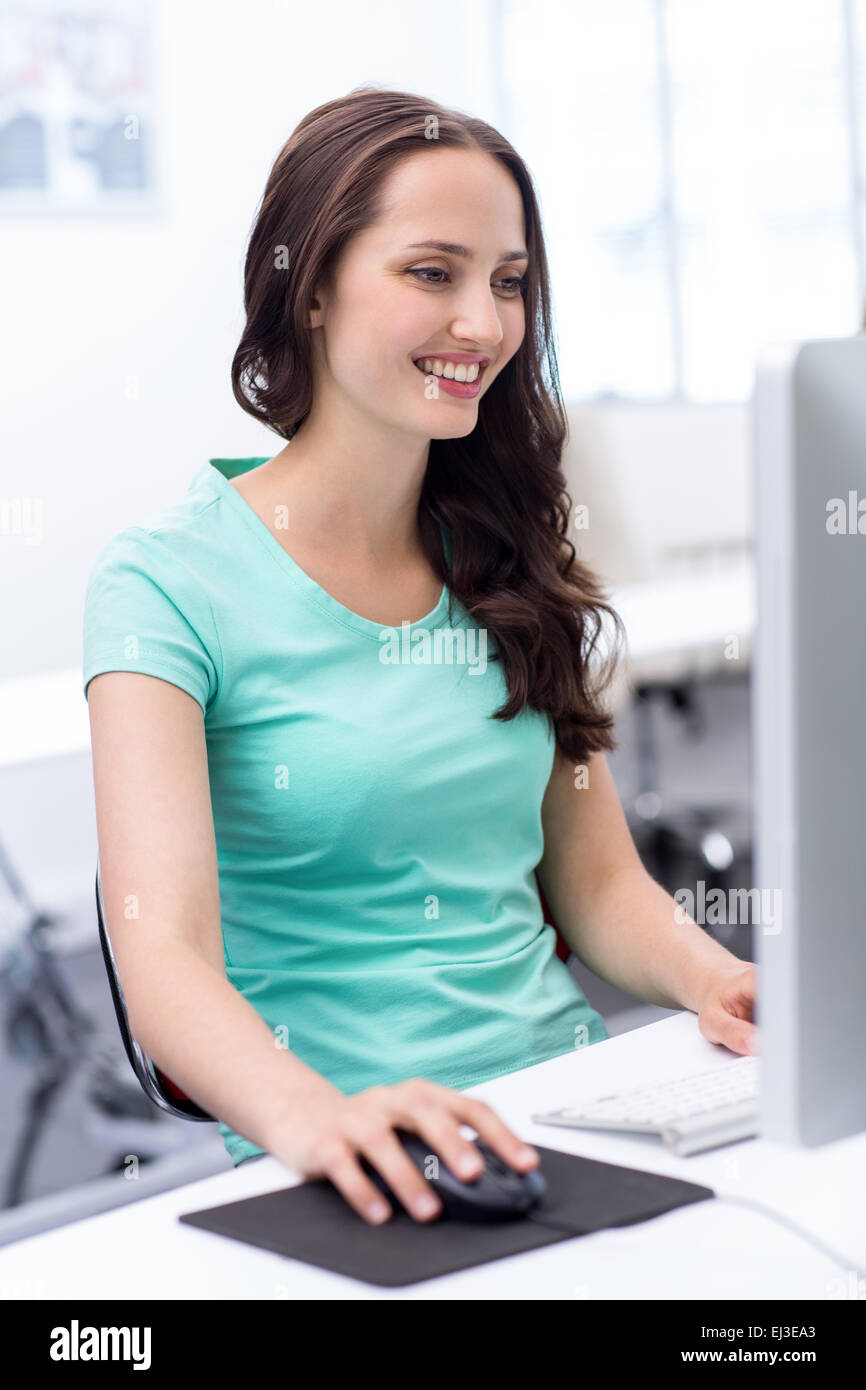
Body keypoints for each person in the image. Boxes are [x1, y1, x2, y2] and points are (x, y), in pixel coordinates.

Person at [83, 87, 758, 1227]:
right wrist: (313, 1118)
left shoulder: (505, 556)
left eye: (506, 282)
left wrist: (717, 982)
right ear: (309, 289)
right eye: (430, 273)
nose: (485, 327)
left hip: (570, 1111)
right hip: (355, 1155)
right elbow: (169, 965)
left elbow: (594, 886)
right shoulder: (163, 583)